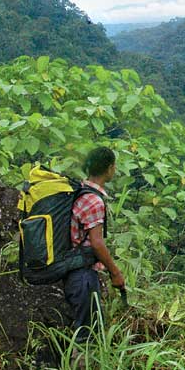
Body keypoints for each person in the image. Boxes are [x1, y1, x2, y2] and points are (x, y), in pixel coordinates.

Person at [63, 146, 126, 341]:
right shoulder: (94, 201)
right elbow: (97, 243)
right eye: (114, 166)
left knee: (84, 328)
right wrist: (115, 273)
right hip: (83, 275)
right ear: (109, 168)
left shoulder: (80, 190)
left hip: (72, 269)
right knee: (85, 334)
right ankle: (78, 369)